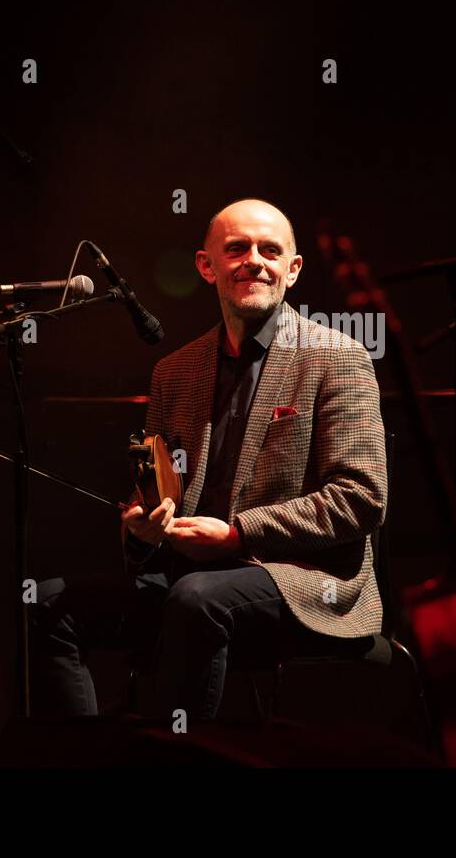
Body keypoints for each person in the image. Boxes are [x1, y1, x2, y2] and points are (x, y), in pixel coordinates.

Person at [30, 198, 388, 720]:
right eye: (236, 248)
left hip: (304, 581)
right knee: (42, 604)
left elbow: (362, 498)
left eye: (270, 250)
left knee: (196, 600)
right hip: (189, 579)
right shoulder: (174, 371)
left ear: (293, 269)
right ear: (207, 266)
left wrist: (238, 533)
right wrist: (142, 530)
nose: (254, 260)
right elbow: (156, 491)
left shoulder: (338, 358)